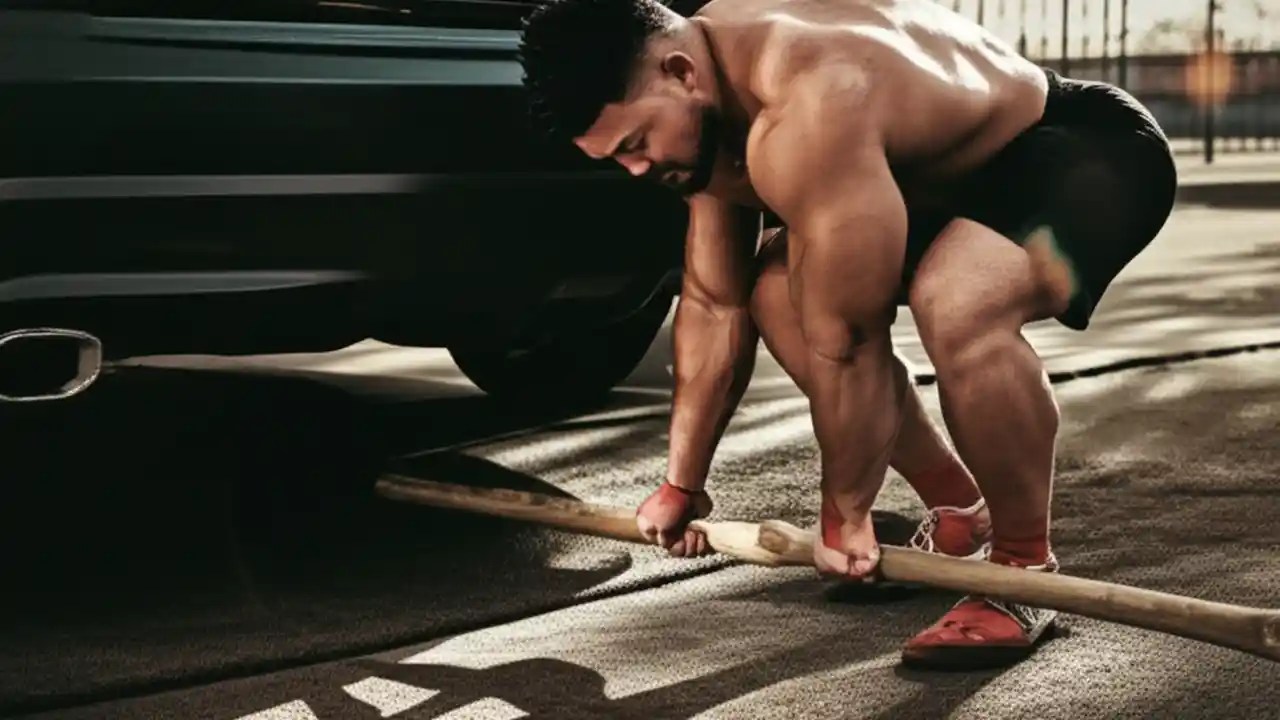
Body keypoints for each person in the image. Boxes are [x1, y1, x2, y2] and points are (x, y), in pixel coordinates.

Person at [517, 0, 1177, 669]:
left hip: (1082, 145)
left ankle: (1022, 568)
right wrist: (681, 486)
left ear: (681, 72)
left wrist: (845, 514)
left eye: (635, 144)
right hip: (956, 181)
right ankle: (958, 511)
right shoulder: (706, 101)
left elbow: (850, 342)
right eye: (616, 157)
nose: (636, 170)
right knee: (775, 291)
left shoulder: (808, 99)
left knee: (956, 300)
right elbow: (716, 304)